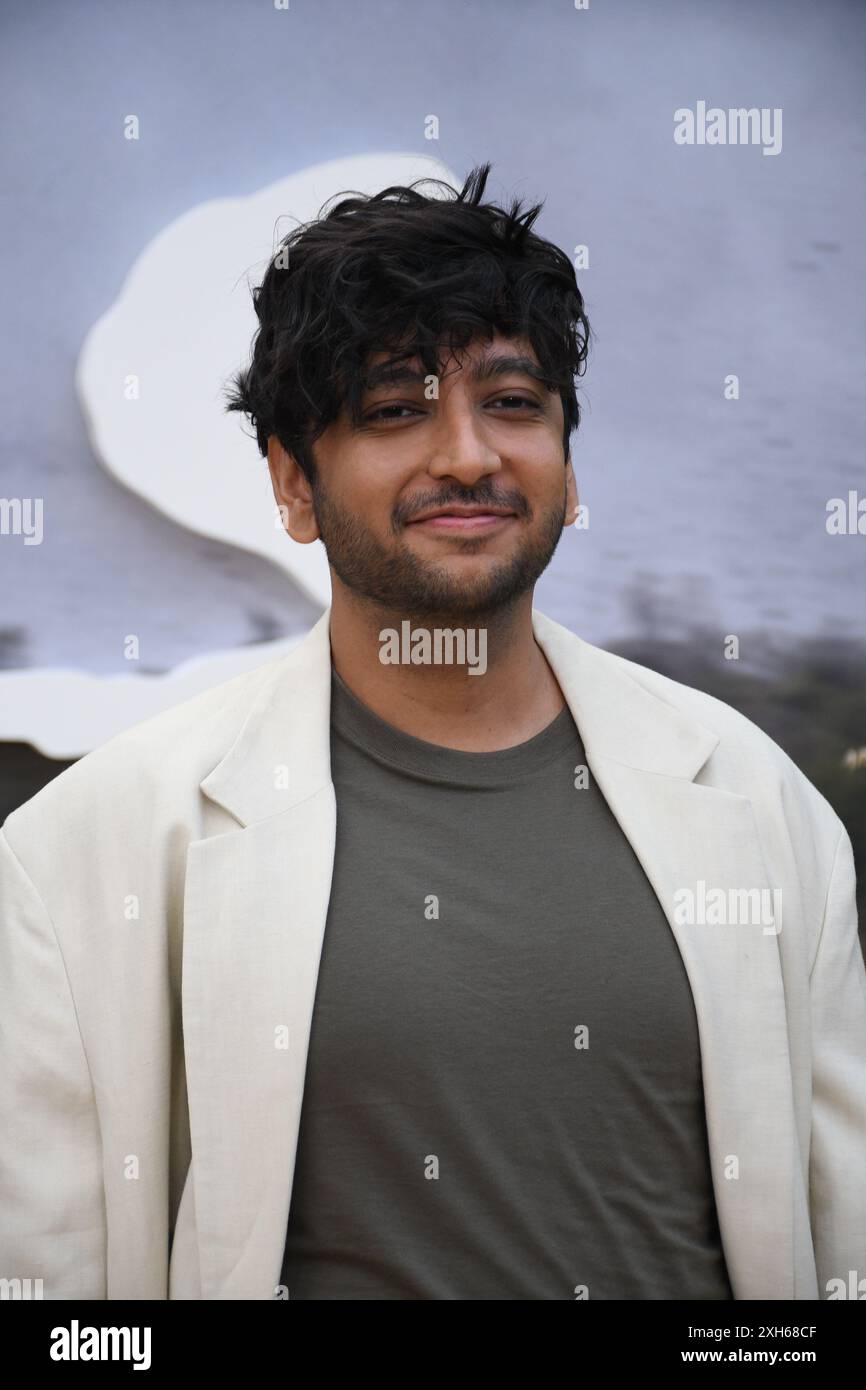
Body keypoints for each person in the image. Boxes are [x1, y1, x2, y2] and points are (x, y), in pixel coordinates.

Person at [1, 164, 864, 1301]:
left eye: (511, 402)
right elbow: (54, 1286)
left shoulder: (755, 802)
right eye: (394, 410)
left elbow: (835, 1234)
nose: (466, 455)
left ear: (564, 452)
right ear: (292, 483)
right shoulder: (85, 851)